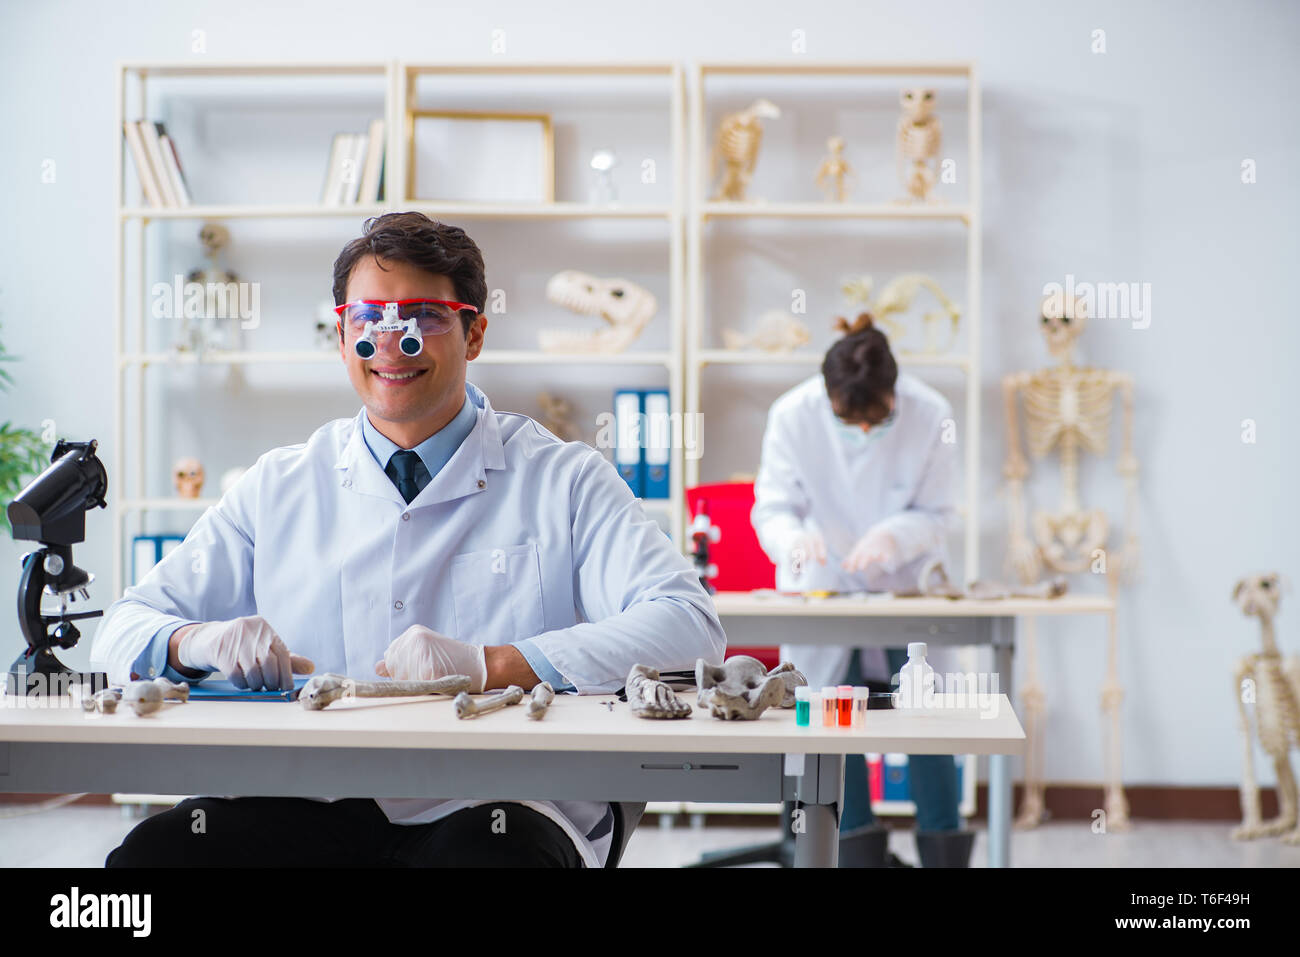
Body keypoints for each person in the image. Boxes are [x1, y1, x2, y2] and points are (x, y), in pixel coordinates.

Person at [93, 211, 726, 868]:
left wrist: (493, 664)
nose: (391, 343)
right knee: (152, 861)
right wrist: (191, 641)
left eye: (423, 316)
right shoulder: (279, 483)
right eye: (367, 319)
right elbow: (118, 631)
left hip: (491, 803)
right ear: (342, 337)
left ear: (475, 331)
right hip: (303, 797)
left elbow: (687, 625)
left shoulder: (563, 479)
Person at [751, 312, 973, 867]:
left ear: (895, 394)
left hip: (904, 582)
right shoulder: (793, 414)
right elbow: (773, 507)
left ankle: (942, 846)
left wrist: (895, 536)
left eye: (878, 421)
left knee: (928, 719)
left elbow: (940, 511)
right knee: (832, 719)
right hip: (825, 584)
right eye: (852, 423)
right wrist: (794, 539)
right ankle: (854, 852)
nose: (866, 434)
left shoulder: (931, 415)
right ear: (828, 398)